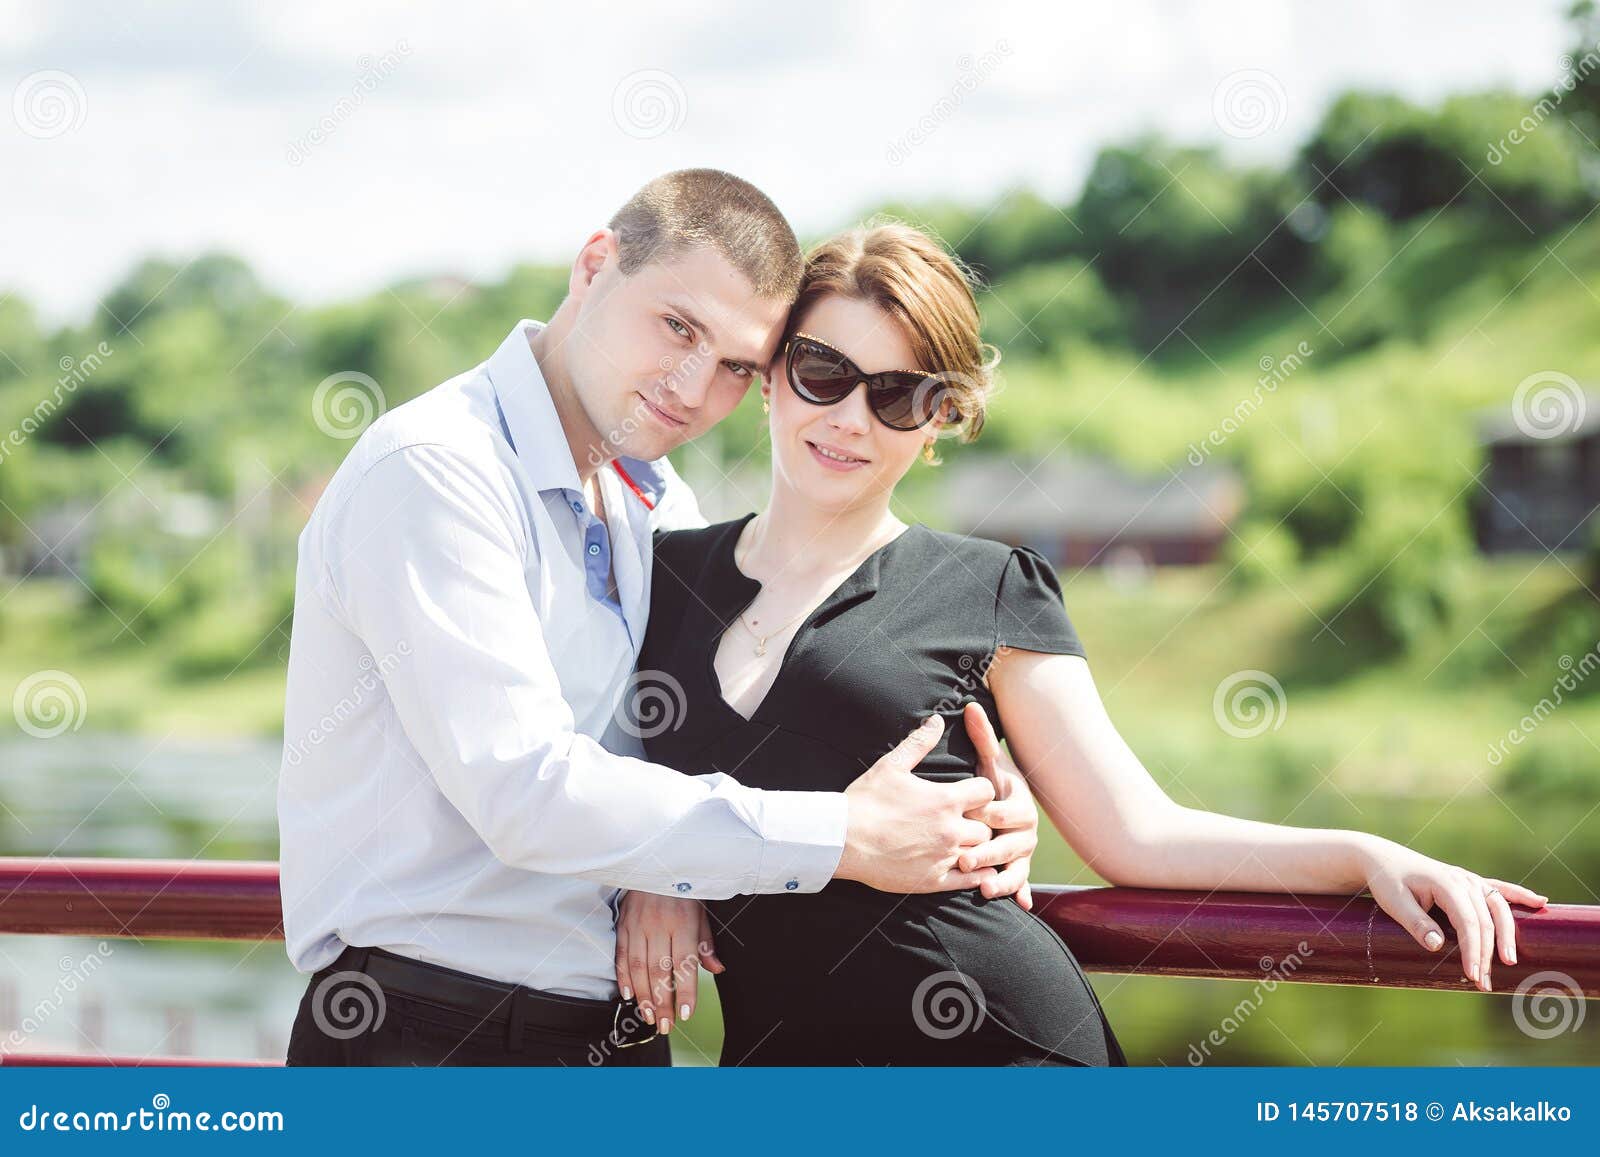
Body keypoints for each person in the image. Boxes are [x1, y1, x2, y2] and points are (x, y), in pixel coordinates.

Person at [616, 222, 1550, 1066]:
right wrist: (656, 870)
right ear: (772, 372)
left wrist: (1361, 853)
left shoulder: (985, 588)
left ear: (942, 421)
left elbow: (1137, 832)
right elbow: (557, 779)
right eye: (824, 372)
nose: (851, 418)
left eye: (902, 395)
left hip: (999, 1056)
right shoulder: (658, 575)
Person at [278, 171, 1042, 1067]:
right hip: (424, 1029)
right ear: (595, 265)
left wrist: (980, 811)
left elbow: (717, 741)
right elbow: (525, 792)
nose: (691, 386)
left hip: (621, 1038)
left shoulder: (658, 504)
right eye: (678, 327)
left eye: (734, 366)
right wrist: (844, 835)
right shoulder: (438, 471)